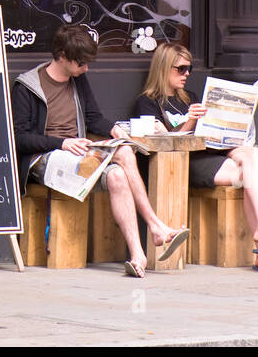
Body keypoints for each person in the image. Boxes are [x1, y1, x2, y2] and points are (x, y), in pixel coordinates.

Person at [12, 24, 189, 277]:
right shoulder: (27, 86)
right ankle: (156, 226)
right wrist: (61, 143)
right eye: (81, 63)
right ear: (62, 56)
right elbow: (20, 139)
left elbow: (94, 118)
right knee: (121, 156)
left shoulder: (78, 79)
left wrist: (115, 130)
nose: (86, 69)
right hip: (45, 157)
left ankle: (138, 254)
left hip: (78, 151)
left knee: (119, 168)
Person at [133, 43, 258, 273]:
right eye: (180, 69)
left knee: (253, 155)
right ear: (164, 68)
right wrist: (190, 121)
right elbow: (163, 144)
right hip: (185, 163)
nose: (186, 74)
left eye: (189, 69)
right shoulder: (148, 102)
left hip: (213, 151)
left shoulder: (190, 97)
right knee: (251, 174)